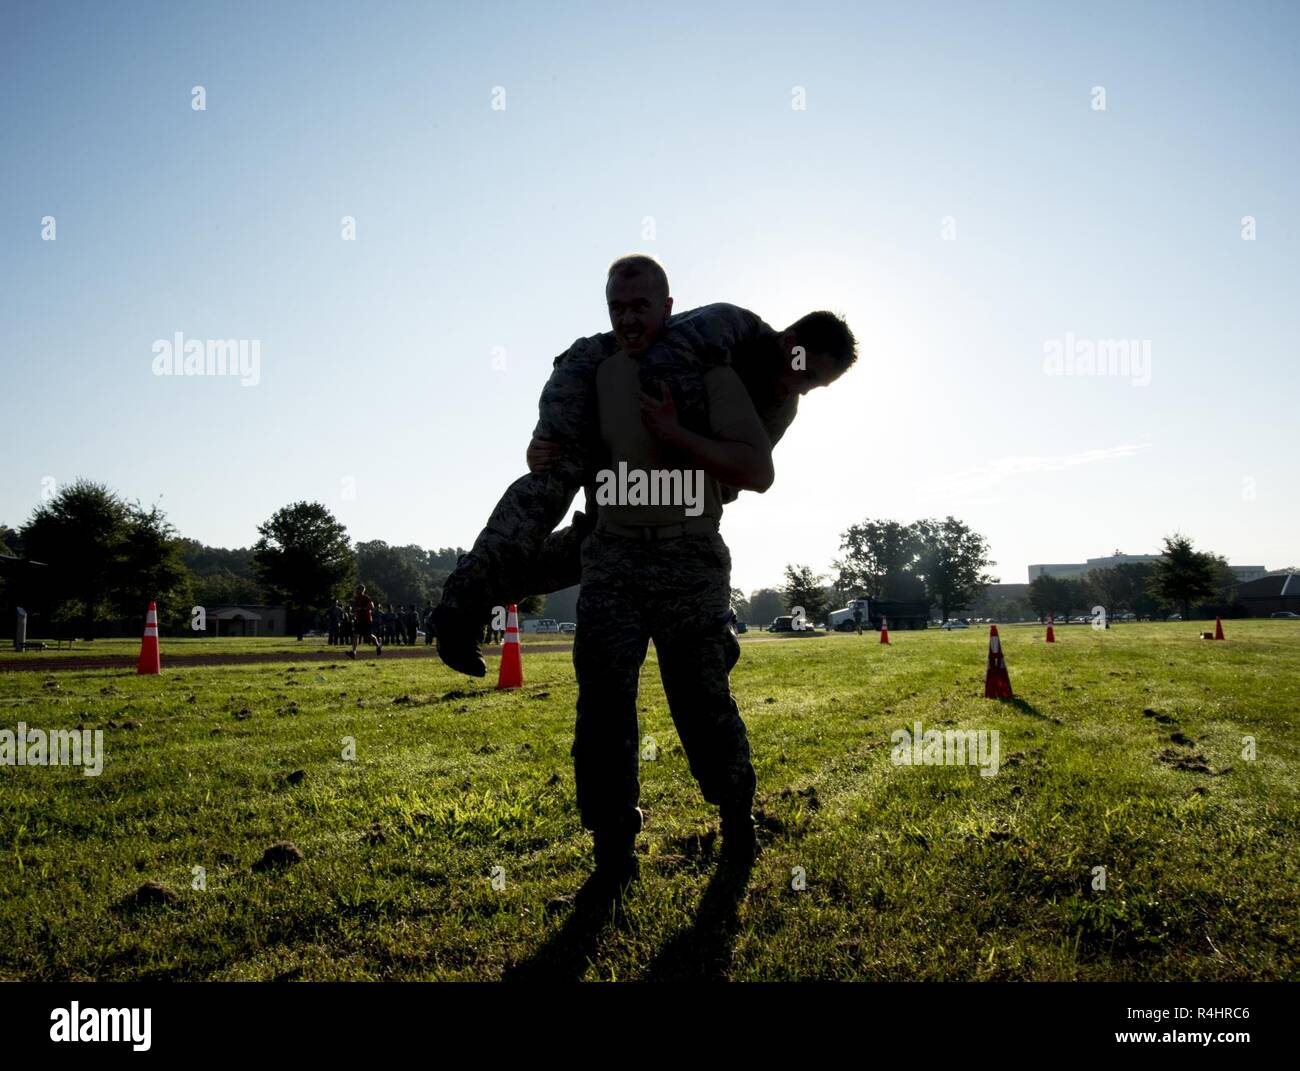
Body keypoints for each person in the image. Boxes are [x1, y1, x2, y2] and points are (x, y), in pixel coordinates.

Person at [436, 254, 857, 677]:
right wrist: (577, 446)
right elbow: (660, 369)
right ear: (790, 344)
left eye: (817, 385)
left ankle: (473, 601)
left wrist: (675, 469)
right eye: (808, 373)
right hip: (594, 380)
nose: (804, 387)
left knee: (590, 549)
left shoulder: (781, 408)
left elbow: (740, 473)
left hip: (646, 462)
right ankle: (458, 607)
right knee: (553, 482)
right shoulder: (731, 326)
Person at [572, 264, 779, 900]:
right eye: (616, 307)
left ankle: (736, 819)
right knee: (603, 707)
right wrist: (545, 453)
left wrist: (676, 434)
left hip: (688, 559)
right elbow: (570, 447)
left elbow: (756, 469)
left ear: (668, 306)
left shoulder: (711, 375)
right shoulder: (597, 374)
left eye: (640, 305)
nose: (628, 318)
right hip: (613, 558)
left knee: (700, 700)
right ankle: (613, 846)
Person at [350, 585, 382, 659]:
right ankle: (354, 652)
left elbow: (372, 606)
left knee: (369, 635)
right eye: (357, 589)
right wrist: (354, 614)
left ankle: (378, 645)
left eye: (359, 589)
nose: (357, 590)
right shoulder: (356, 598)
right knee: (355, 635)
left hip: (366, 619)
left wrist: (363, 608)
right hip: (359, 620)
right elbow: (356, 608)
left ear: (362, 590)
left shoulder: (366, 598)